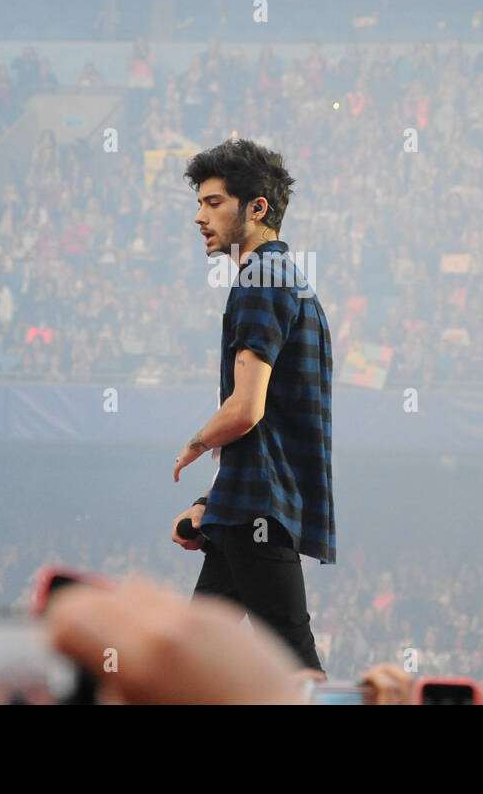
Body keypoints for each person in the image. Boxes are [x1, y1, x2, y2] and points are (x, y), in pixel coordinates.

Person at [170, 138, 334, 674]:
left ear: (256, 207)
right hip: (245, 507)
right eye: (199, 203)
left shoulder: (260, 279)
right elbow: (268, 433)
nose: (199, 216)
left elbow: (246, 410)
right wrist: (210, 503)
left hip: (257, 509)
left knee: (295, 661)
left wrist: (196, 443)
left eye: (213, 202)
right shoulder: (285, 278)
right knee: (195, 659)